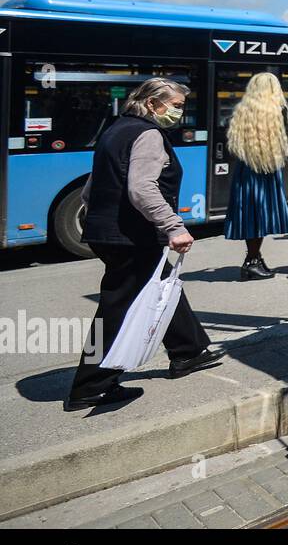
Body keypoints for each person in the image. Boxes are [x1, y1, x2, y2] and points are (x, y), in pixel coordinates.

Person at [66, 78, 218, 412]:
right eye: (176, 105)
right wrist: (173, 226)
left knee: (161, 285)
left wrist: (100, 221)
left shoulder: (117, 128)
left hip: (112, 232)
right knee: (117, 308)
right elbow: (142, 188)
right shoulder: (148, 135)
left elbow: (91, 188)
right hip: (133, 235)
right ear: (152, 103)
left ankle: (189, 351)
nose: (179, 112)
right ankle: (90, 386)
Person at [223, 72, 288, 280]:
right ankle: (252, 261)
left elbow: (233, 146)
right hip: (266, 169)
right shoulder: (278, 111)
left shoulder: (241, 111)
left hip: (246, 170)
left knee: (250, 216)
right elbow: (285, 142)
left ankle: (254, 258)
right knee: (261, 216)